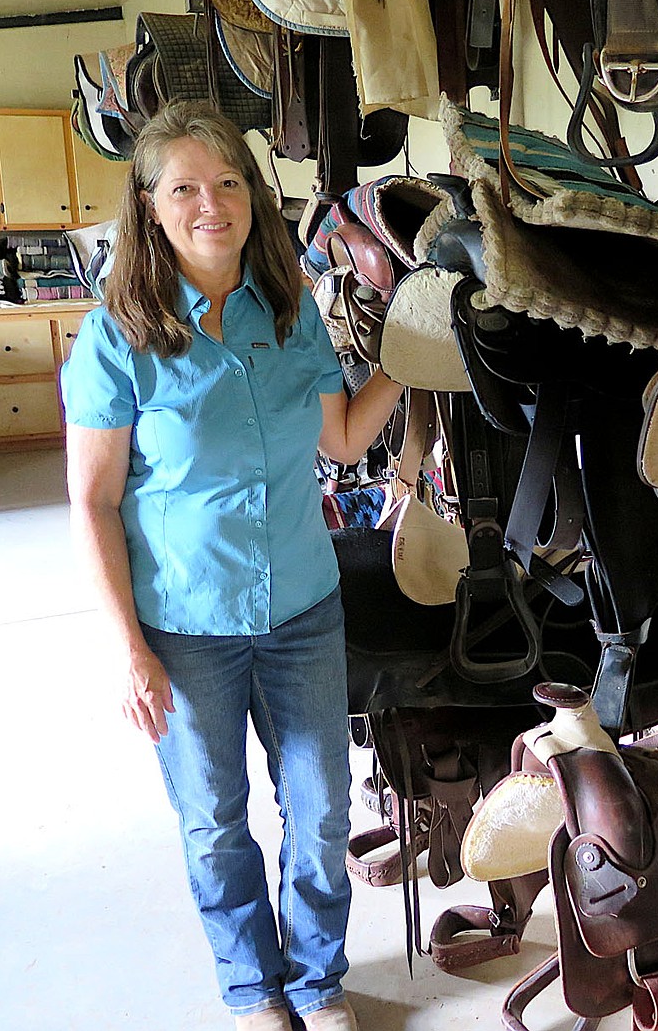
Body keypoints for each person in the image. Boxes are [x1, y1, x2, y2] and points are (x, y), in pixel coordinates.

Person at [62, 101, 403, 1031]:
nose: (210, 203)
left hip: (302, 607)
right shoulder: (115, 339)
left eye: (227, 182)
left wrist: (410, 358)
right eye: (184, 188)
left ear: (252, 194)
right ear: (148, 204)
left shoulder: (292, 314)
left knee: (323, 813)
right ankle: (254, 991)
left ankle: (318, 982)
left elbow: (339, 440)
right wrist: (129, 647)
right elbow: (91, 502)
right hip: (184, 625)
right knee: (215, 823)